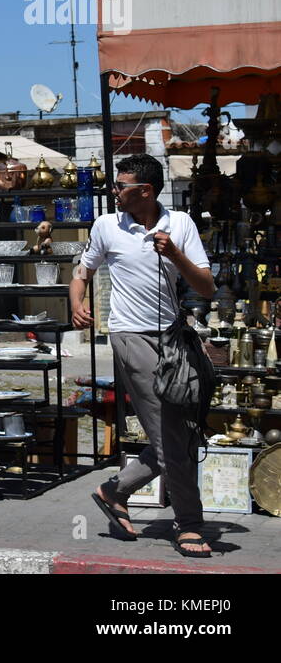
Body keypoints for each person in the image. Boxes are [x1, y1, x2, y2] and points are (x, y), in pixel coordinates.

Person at [70, 153, 216, 558]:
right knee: (170, 435)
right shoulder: (106, 226)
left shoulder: (181, 224)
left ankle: (114, 490)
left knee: (183, 431)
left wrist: (175, 256)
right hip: (130, 337)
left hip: (173, 338)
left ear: (146, 191)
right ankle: (188, 525)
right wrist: (77, 303)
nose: (114, 191)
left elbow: (207, 288)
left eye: (121, 186)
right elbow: (82, 271)